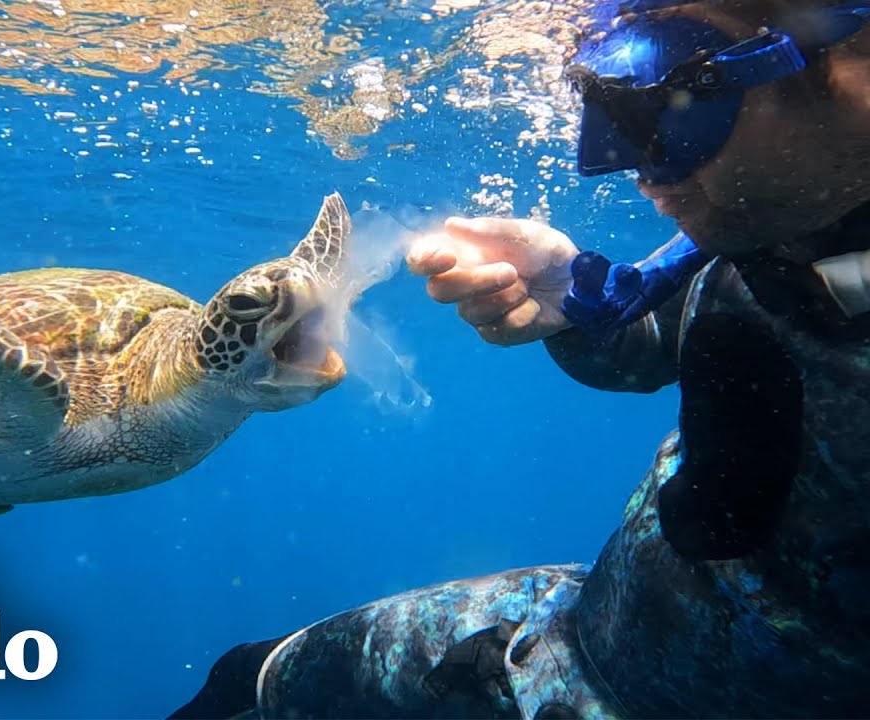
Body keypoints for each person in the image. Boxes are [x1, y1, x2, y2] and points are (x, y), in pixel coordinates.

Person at [169, 1, 870, 717]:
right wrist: (572, 302)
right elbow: (654, 348)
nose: (629, 167)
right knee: (251, 681)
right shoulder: (772, 228)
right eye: (606, 106)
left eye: (664, 93)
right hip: (574, 634)